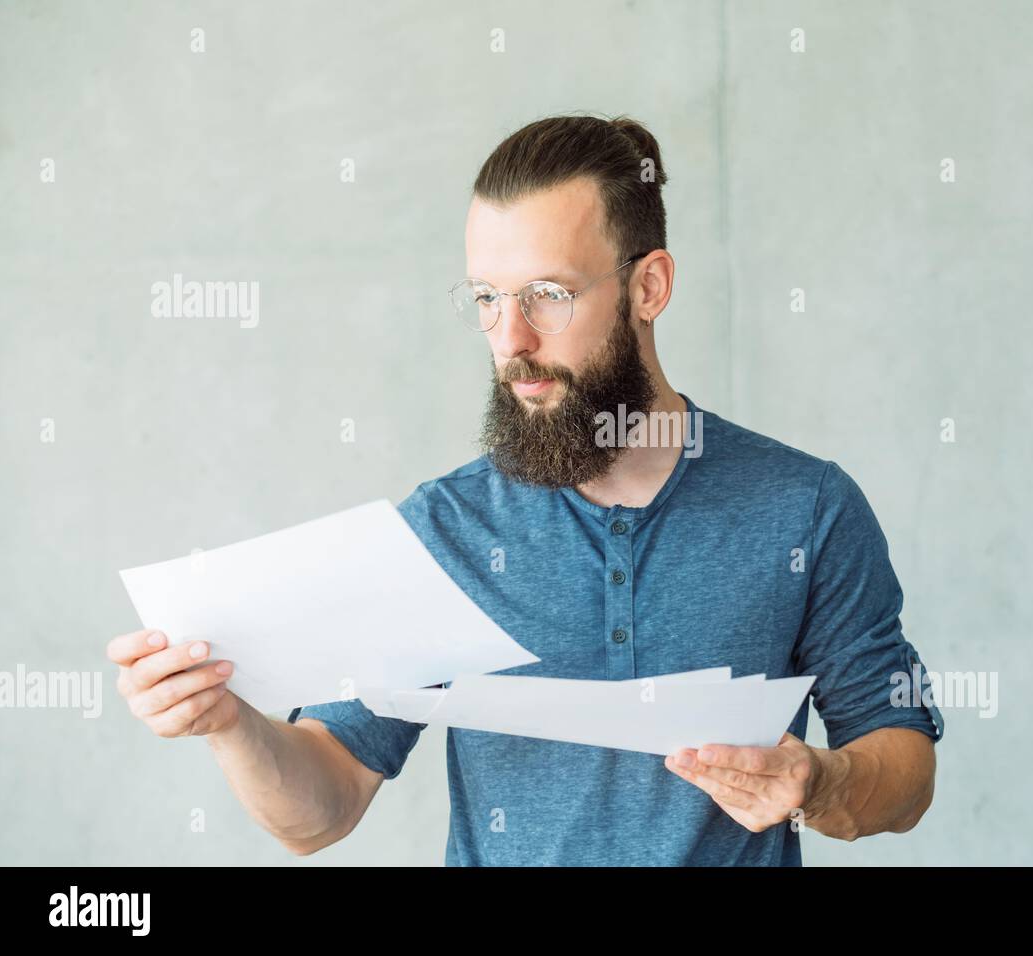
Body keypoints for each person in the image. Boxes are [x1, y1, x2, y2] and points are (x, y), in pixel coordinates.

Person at [107, 113, 944, 865]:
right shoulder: (444, 528)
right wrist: (229, 726)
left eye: (549, 295)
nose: (511, 339)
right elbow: (318, 813)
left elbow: (903, 768)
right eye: (486, 299)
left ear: (648, 287)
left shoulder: (806, 508)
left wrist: (821, 781)